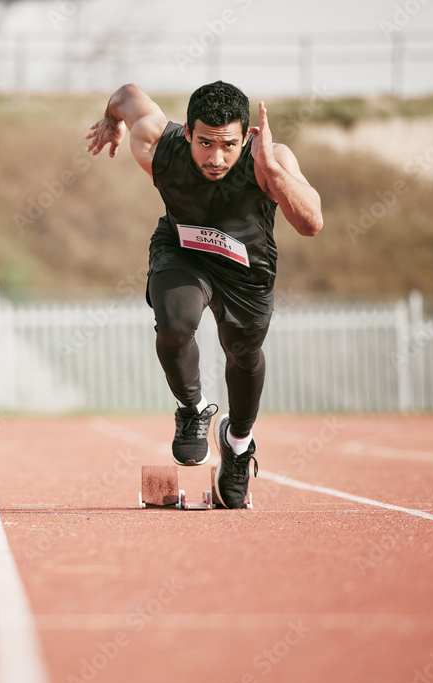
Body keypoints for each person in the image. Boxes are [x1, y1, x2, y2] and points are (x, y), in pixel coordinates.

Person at [86, 81, 322, 509]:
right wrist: (111, 120)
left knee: (244, 354)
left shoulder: (271, 159)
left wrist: (271, 170)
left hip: (246, 270)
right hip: (183, 251)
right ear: (187, 132)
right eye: (205, 143)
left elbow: (311, 224)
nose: (216, 158)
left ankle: (238, 443)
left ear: (246, 137)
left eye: (229, 145)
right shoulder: (158, 143)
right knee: (175, 325)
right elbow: (126, 96)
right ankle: (192, 409)